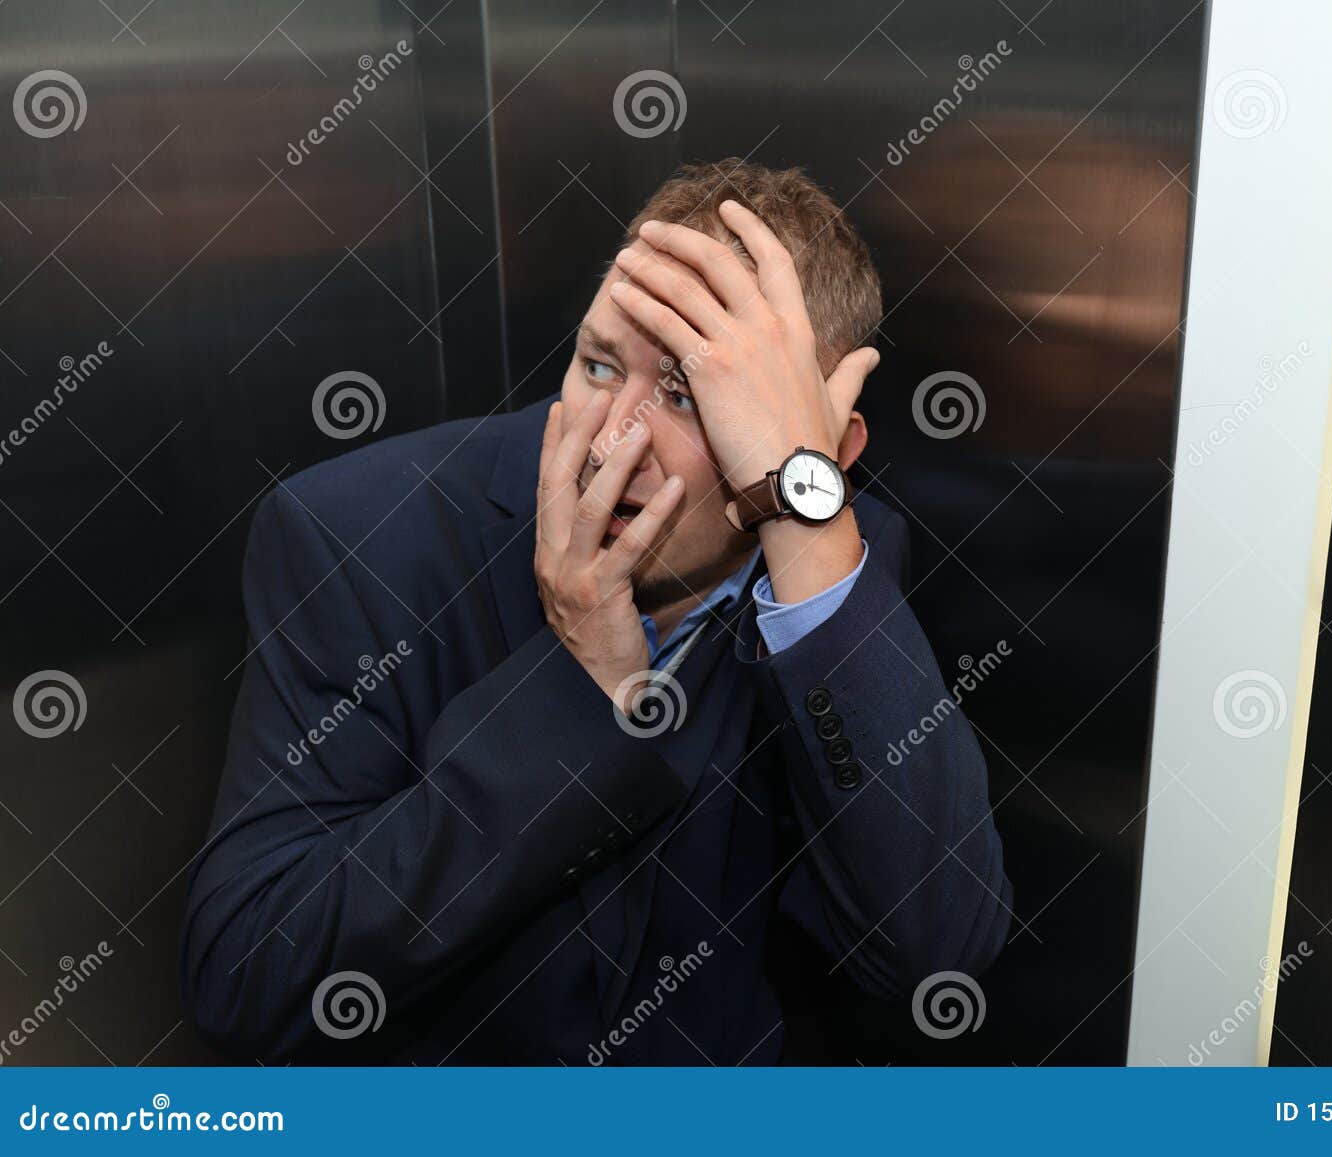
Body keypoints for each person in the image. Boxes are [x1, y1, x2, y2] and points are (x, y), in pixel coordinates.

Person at [181, 158, 1011, 1064]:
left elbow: (934, 952)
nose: (614, 438)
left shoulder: (833, 556)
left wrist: (804, 529)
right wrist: (579, 692)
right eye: (598, 364)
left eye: (692, 396)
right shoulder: (362, 537)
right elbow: (248, 972)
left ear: (821, 451)